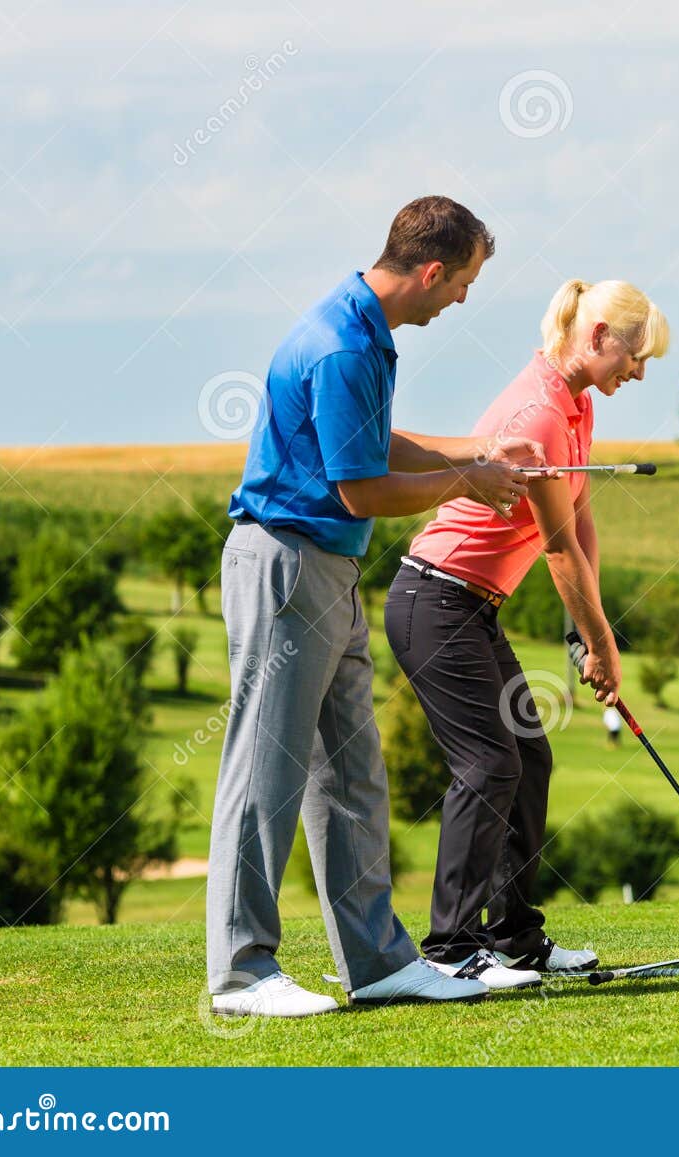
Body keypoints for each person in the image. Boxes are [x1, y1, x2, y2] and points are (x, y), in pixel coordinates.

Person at [206, 196, 549, 1018]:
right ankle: (244, 971)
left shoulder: (362, 330)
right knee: (266, 771)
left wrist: (474, 448)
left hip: (329, 572)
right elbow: (359, 488)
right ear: (432, 271)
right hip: (287, 566)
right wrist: (468, 481)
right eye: (463, 282)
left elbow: (371, 442)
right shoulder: (342, 344)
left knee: (352, 774)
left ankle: (377, 961)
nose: (461, 298)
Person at [386, 279, 669, 989]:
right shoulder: (542, 411)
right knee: (489, 763)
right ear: (599, 333)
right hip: (434, 599)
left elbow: (582, 519)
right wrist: (602, 645)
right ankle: (450, 947)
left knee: (528, 756)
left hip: (471, 607)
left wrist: (587, 630)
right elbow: (556, 547)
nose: (637, 372)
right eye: (634, 356)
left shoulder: (572, 405)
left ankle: (512, 936)